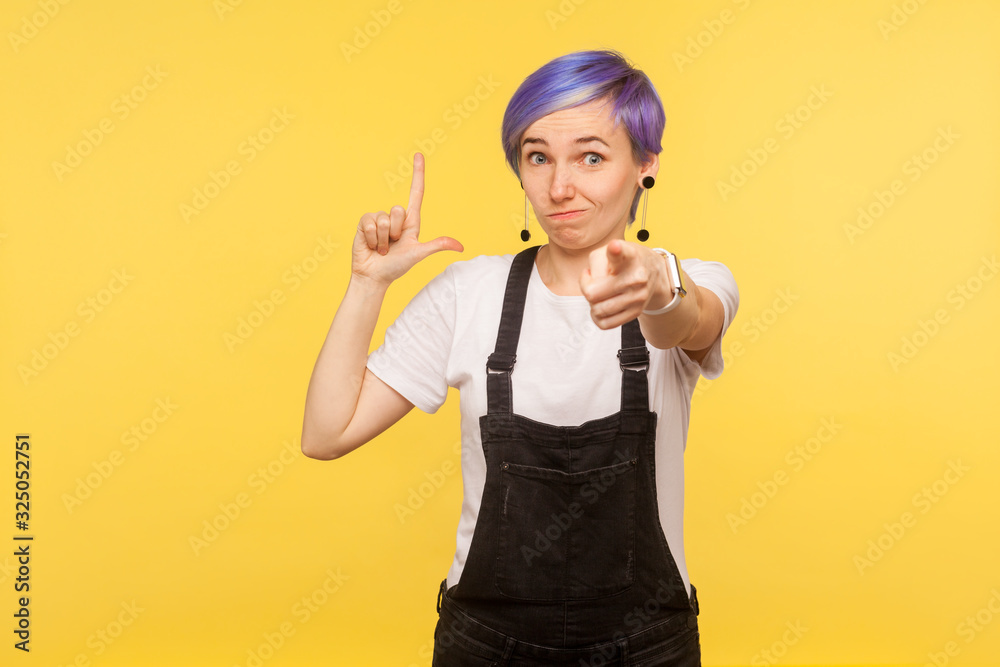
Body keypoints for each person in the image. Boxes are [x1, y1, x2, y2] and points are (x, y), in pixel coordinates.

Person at [301, 49, 739, 666]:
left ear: (645, 165)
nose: (559, 188)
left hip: (645, 648)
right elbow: (325, 435)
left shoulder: (690, 282)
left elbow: (687, 323)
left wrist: (657, 283)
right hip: (485, 647)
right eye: (538, 157)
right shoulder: (467, 295)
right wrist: (367, 284)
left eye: (591, 157)